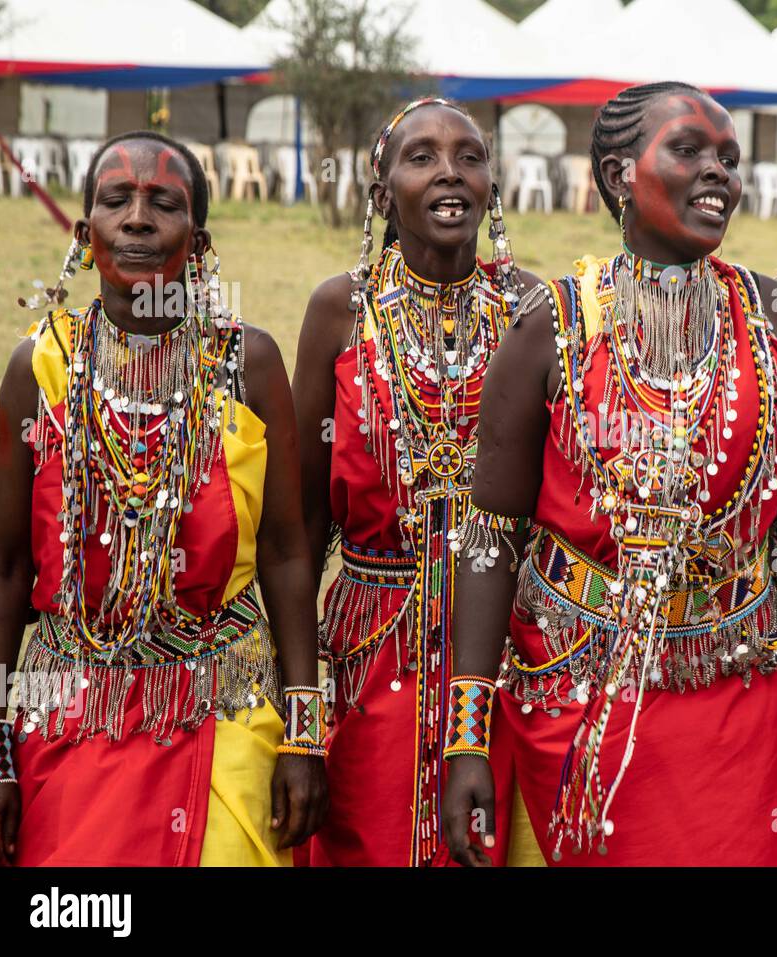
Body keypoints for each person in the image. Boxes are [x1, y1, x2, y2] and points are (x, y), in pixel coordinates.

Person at [442, 81, 777, 867]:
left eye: (731, 159)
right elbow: (489, 540)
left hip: (743, 696)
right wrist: (465, 738)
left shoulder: (771, 313)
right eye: (689, 150)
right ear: (617, 176)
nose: (720, 172)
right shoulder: (555, 327)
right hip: (588, 696)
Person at [0, 131, 326, 866]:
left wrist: (305, 731)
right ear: (85, 232)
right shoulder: (38, 370)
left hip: (221, 719)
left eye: (162, 203)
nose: (137, 219)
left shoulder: (247, 364)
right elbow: (3, 571)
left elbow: (288, 554)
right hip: (70, 730)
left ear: (195, 241)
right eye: (116, 201)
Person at [294, 98, 539, 866]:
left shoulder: (533, 309)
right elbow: (300, 524)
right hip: (372, 646)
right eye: (422, 157)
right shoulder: (340, 311)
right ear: (381, 192)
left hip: (505, 650)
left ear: (492, 186)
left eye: (469, 157)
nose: (450, 174)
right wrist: (299, 706)